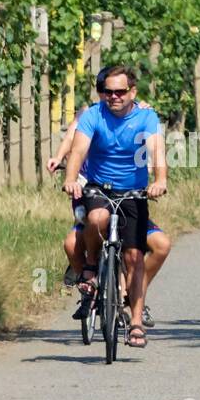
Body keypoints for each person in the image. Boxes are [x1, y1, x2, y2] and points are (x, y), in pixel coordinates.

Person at [48, 69, 168, 327]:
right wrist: (69, 178)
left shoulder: (146, 116)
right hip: (99, 190)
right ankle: (90, 272)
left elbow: (157, 151)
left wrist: (160, 180)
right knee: (96, 219)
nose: (113, 96)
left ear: (132, 92)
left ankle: (134, 312)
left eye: (120, 92)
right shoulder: (92, 114)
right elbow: (78, 149)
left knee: (135, 256)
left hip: (132, 194)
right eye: (108, 92)